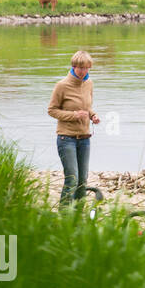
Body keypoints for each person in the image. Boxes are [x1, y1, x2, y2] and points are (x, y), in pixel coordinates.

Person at [48, 49, 100, 206]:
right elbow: (52, 110)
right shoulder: (62, 85)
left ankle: (78, 214)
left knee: (83, 180)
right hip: (66, 138)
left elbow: (86, 107)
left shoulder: (89, 84)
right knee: (72, 178)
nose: (84, 72)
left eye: (87, 68)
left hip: (84, 139)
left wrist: (93, 116)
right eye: (81, 68)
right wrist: (74, 116)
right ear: (74, 66)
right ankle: (64, 213)